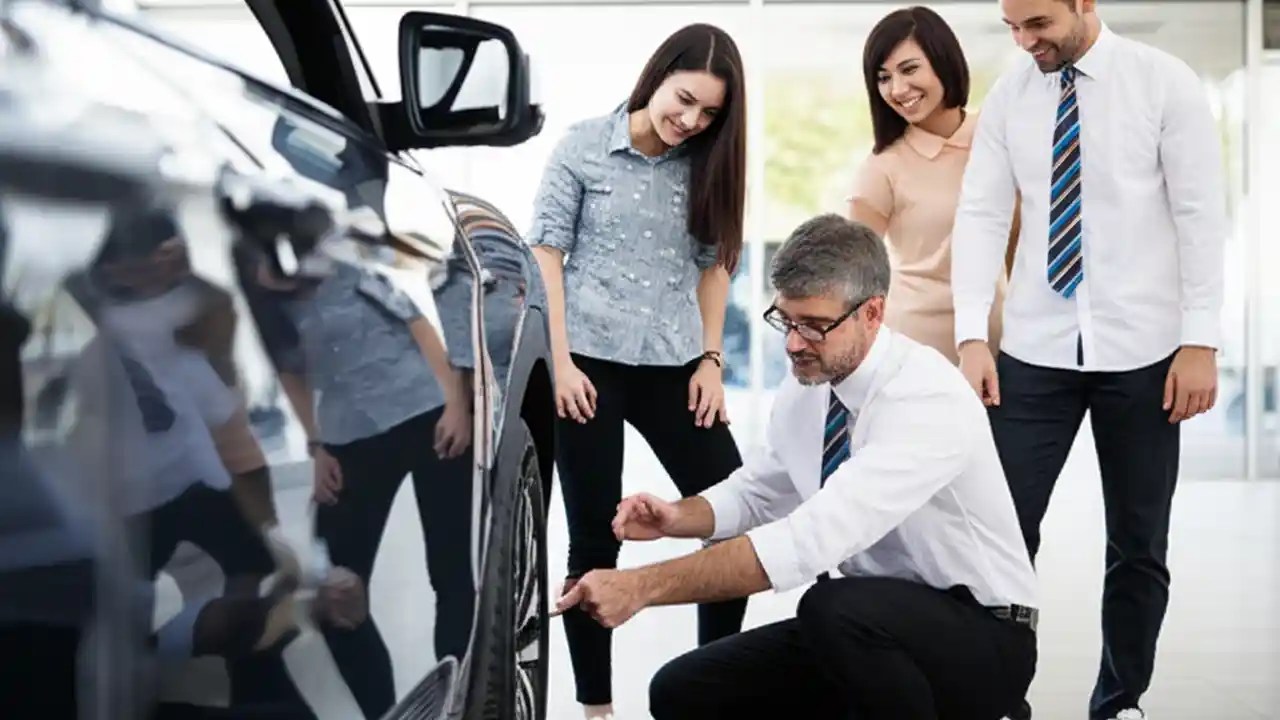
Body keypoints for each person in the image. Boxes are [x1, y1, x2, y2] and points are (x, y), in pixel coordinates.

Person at [555, 214, 1039, 720]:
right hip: (871, 630)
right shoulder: (809, 386)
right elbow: (759, 492)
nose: (792, 343)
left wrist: (640, 586)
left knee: (831, 606)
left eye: (813, 325)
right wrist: (678, 517)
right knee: (684, 689)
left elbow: (805, 543)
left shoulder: (924, 398)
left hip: (984, 636)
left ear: (872, 313)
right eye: (785, 320)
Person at [950, 0, 1226, 718]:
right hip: (1036, 351)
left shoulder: (1164, 82)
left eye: (1037, 24)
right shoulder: (1012, 94)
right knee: (1000, 533)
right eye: (1011, 26)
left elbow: (1199, 213)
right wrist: (972, 333)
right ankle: (996, 696)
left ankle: (1120, 700)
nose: (1023, 41)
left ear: (1084, 5)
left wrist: (1201, 340)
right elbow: (980, 212)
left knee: (1139, 542)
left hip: (1145, 349)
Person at [527, 22, 750, 720]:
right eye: (683, 100)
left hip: (673, 363)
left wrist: (712, 361)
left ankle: (707, 690)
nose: (690, 120)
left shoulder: (708, 162)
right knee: (593, 534)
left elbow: (714, 268)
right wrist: (558, 363)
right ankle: (597, 709)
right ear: (658, 77)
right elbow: (546, 257)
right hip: (584, 362)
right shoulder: (583, 146)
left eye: (709, 113)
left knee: (732, 520)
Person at [848, 6, 1019, 364]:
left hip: (1002, 345)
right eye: (883, 77)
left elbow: (1019, 246)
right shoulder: (883, 167)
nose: (897, 89)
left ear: (943, 61)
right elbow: (852, 272)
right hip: (916, 350)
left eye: (910, 69)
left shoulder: (997, 136)